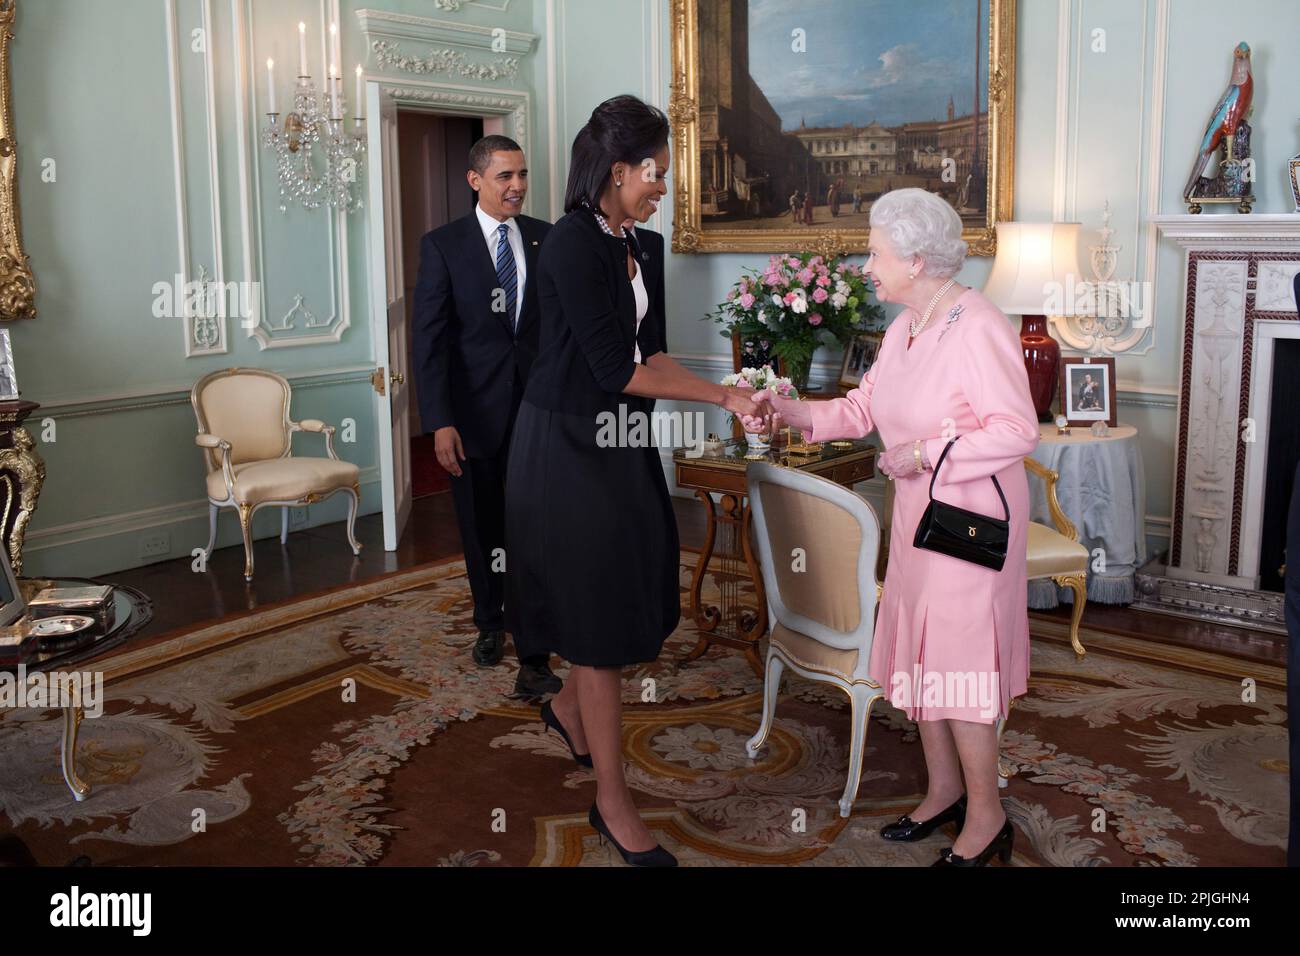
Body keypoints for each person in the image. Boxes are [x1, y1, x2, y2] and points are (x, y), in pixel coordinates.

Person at [505, 95, 765, 867]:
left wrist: (735, 386)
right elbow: (615, 367)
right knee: (594, 621)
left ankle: (564, 706)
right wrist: (723, 396)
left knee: (633, 590)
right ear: (618, 171)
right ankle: (613, 803)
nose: (664, 188)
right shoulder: (570, 247)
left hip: (617, 440)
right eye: (656, 174)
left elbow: (650, 357)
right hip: (563, 446)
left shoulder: (640, 245)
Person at [747, 187, 1039, 866]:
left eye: (874, 252)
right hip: (917, 516)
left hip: (972, 523)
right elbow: (861, 407)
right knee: (925, 652)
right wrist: (789, 411)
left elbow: (1017, 431)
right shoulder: (906, 326)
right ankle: (943, 790)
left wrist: (920, 453)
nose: (865, 265)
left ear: (913, 258)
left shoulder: (979, 323)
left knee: (960, 666)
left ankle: (987, 816)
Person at [411, 135, 560, 699]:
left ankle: (536, 648)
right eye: (505, 176)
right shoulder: (443, 246)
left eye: (522, 174)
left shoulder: (548, 238)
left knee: (536, 530)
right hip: (471, 420)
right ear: (476, 180)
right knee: (482, 528)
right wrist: (440, 421)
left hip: (539, 416)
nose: (517, 186)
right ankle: (489, 622)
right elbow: (430, 342)